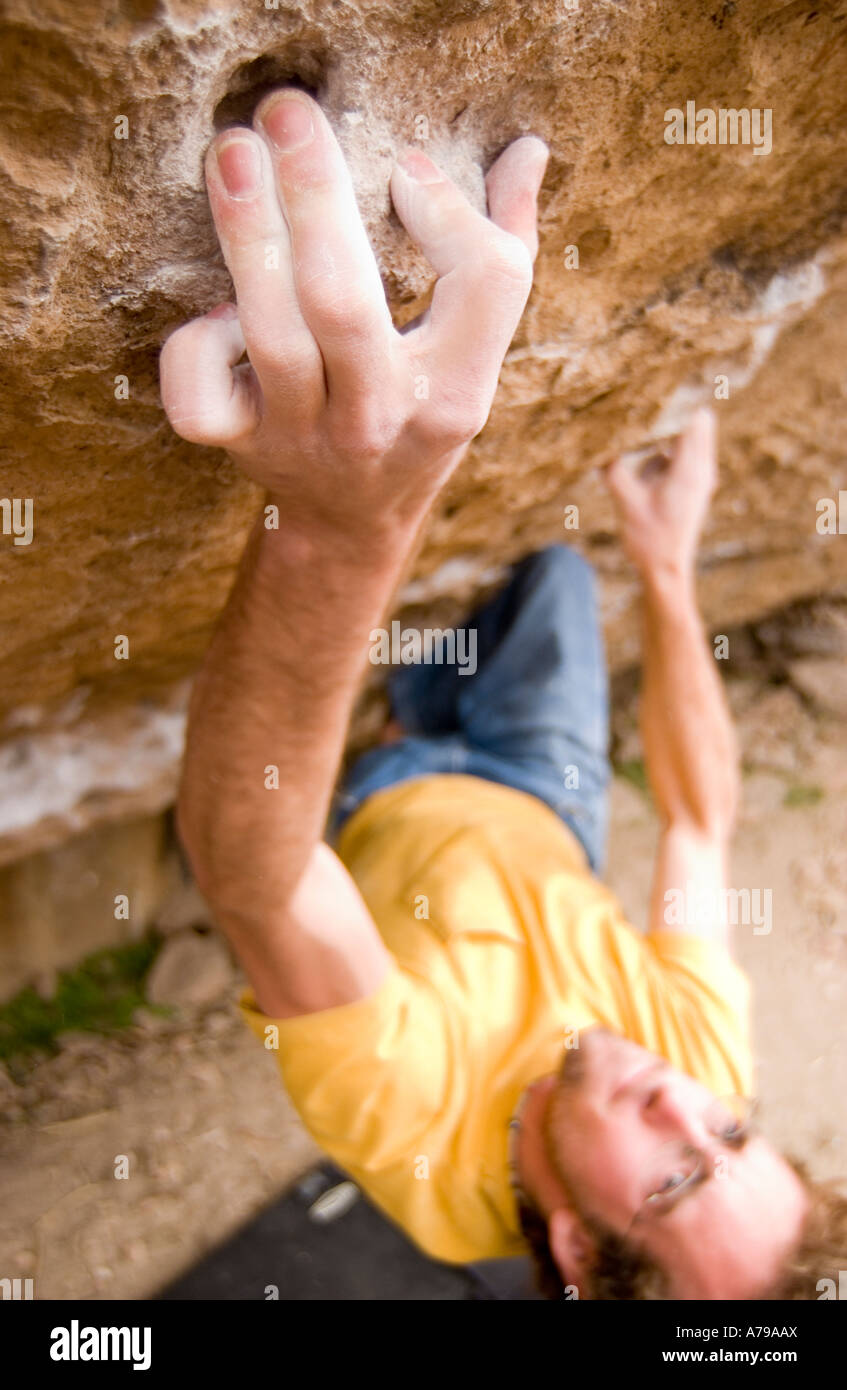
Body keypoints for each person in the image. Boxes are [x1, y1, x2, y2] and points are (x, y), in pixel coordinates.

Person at [160, 86, 847, 1299]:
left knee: (295, 759)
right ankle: (411, 680)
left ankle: (391, 718)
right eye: (733, 1137)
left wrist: (332, 532)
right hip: (542, 799)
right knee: (557, 580)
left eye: (674, 1177)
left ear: (576, 1250)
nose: (683, 1100)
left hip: (381, 812)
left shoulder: (417, 1131)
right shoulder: (693, 1078)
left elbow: (254, 878)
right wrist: (669, 567)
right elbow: (698, 820)